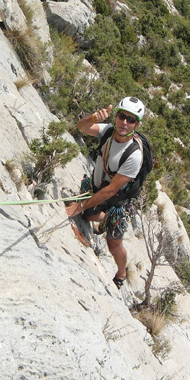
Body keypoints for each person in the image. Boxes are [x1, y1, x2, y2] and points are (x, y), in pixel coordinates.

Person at [65, 96, 146, 289]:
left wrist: (80, 206)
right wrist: (93, 118)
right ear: (116, 116)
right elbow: (82, 127)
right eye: (122, 116)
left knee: (113, 244)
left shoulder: (134, 154)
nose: (125, 122)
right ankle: (102, 219)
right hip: (98, 188)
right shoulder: (109, 131)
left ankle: (122, 271)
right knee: (88, 215)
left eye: (131, 119)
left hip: (116, 199)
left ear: (137, 124)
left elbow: (111, 190)